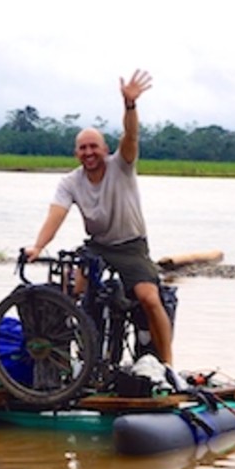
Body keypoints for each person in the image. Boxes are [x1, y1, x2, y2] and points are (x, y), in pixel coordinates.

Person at [24, 69, 176, 371]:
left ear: (105, 150)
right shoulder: (71, 181)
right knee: (72, 290)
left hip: (131, 246)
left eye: (94, 146)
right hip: (98, 246)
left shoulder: (121, 166)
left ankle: (168, 363)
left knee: (149, 296)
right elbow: (56, 215)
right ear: (76, 153)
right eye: (83, 148)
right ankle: (74, 359)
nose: (89, 152)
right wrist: (37, 247)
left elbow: (131, 135)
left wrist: (130, 105)